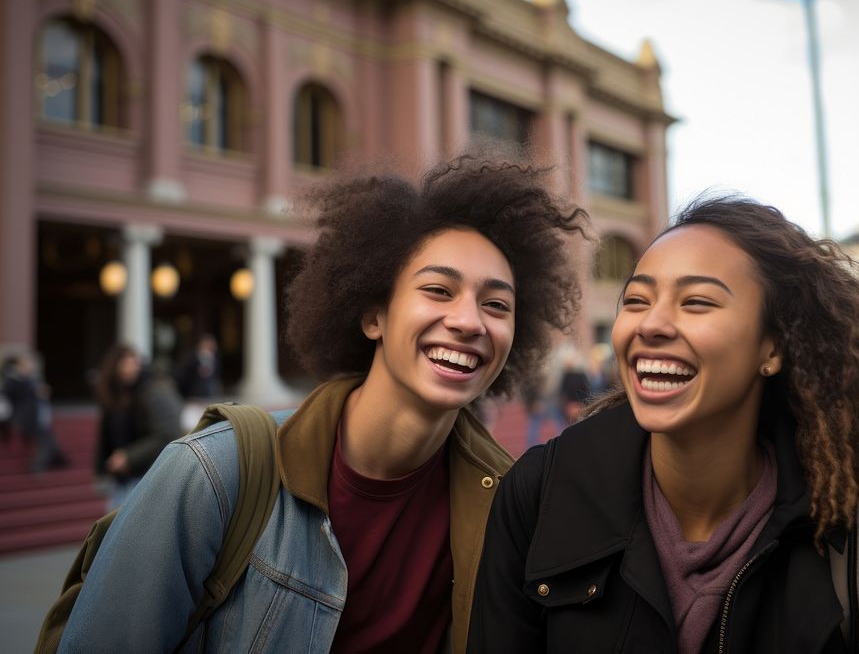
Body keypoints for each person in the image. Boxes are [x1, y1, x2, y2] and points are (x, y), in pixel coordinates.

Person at [58, 155, 588, 653]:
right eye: (438, 290)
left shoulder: (507, 506)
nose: (470, 321)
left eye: (496, 305)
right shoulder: (214, 475)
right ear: (373, 316)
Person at [470, 195, 859, 653]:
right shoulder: (539, 494)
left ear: (773, 348)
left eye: (697, 302)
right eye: (636, 300)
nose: (650, 324)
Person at [94, 344, 184, 510]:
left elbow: (167, 433)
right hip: (122, 476)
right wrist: (101, 470)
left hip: (147, 473)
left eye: (134, 361)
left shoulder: (154, 389)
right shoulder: (115, 395)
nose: (130, 367)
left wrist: (129, 456)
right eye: (125, 362)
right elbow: (106, 435)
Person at [0, 352, 67, 471]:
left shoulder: (31, 380)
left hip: (38, 416)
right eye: (26, 365)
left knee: (49, 440)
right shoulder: (13, 381)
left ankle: (58, 461)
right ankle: (38, 466)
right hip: (25, 418)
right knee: (47, 441)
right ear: (18, 367)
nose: (30, 368)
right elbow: (7, 400)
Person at [174, 333, 222, 399]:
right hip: (194, 393)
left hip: (210, 393)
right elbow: (184, 375)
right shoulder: (191, 357)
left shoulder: (215, 358)